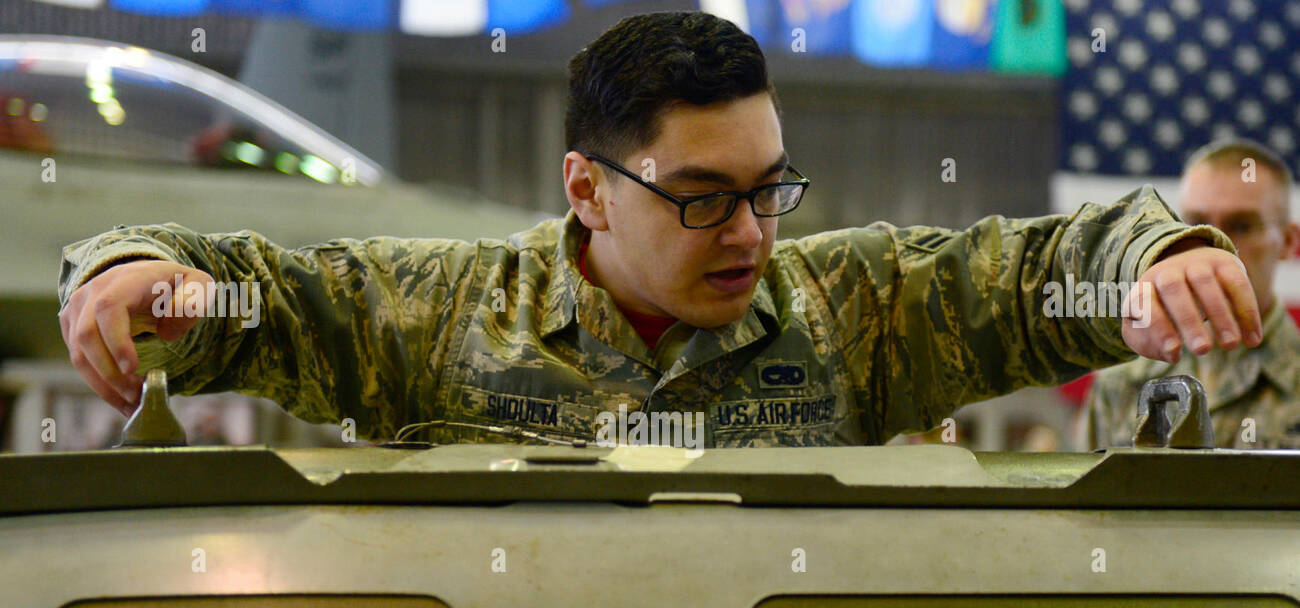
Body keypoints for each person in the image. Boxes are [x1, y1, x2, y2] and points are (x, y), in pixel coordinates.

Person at [57, 11, 1260, 448]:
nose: (747, 233)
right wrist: (140, 273)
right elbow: (252, 289)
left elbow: (1034, 270)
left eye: (768, 188)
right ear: (586, 190)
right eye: (700, 198)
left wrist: (1156, 254)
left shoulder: (860, 308)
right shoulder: (436, 313)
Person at [1082, 139, 1300, 450]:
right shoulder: (1122, 384)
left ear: (1289, 242)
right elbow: (1090, 498)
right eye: (1196, 226)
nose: (1216, 245)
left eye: (1243, 225)